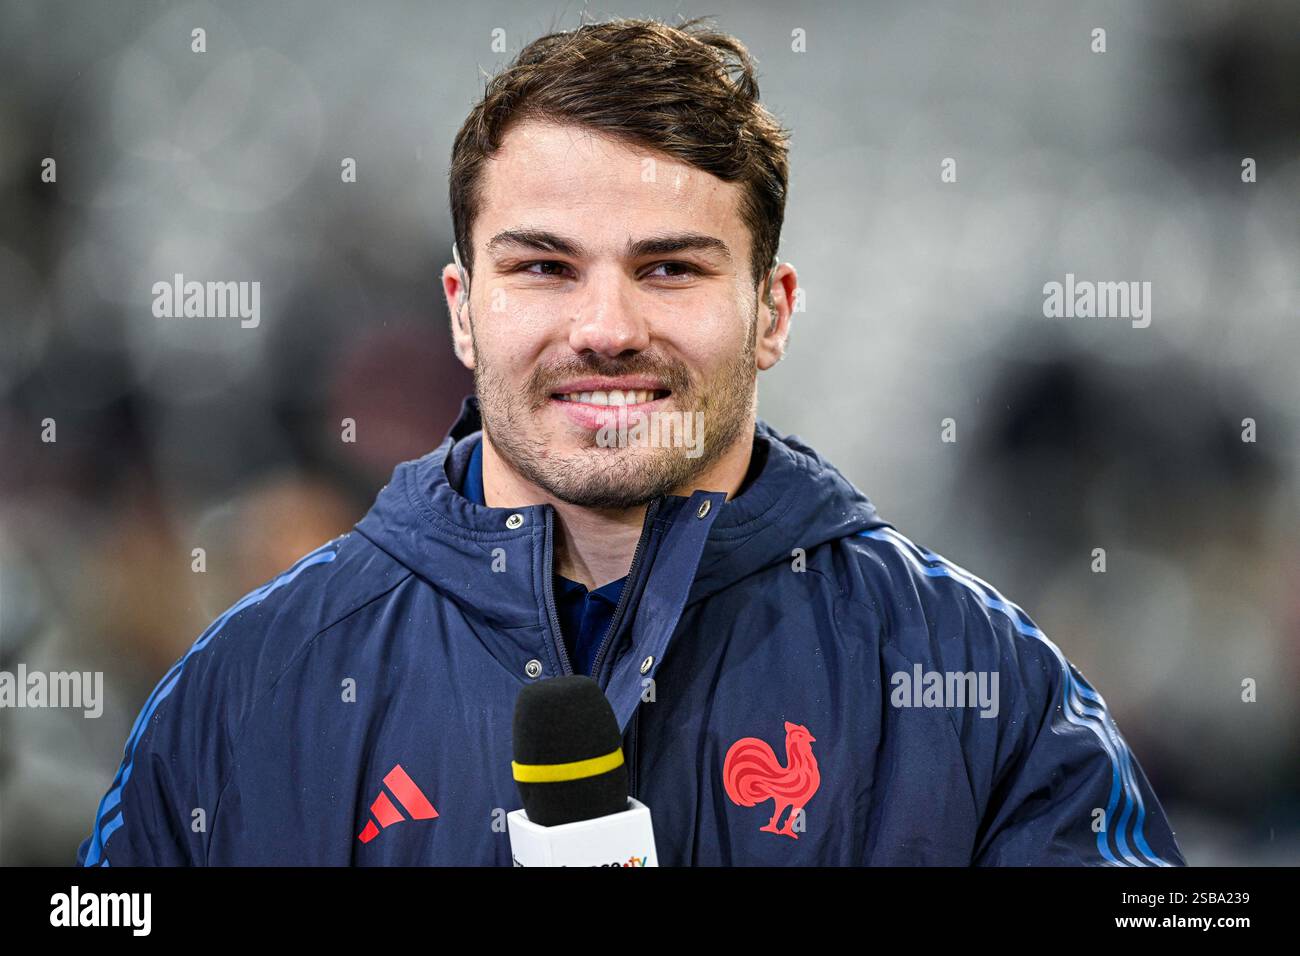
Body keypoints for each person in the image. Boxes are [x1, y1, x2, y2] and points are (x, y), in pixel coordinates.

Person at [78, 17, 1185, 866]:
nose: (606, 330)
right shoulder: (246, 691)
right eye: (544, 266)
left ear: (773, 309)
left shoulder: (986, 686)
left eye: (670, 267)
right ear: (462, 309)